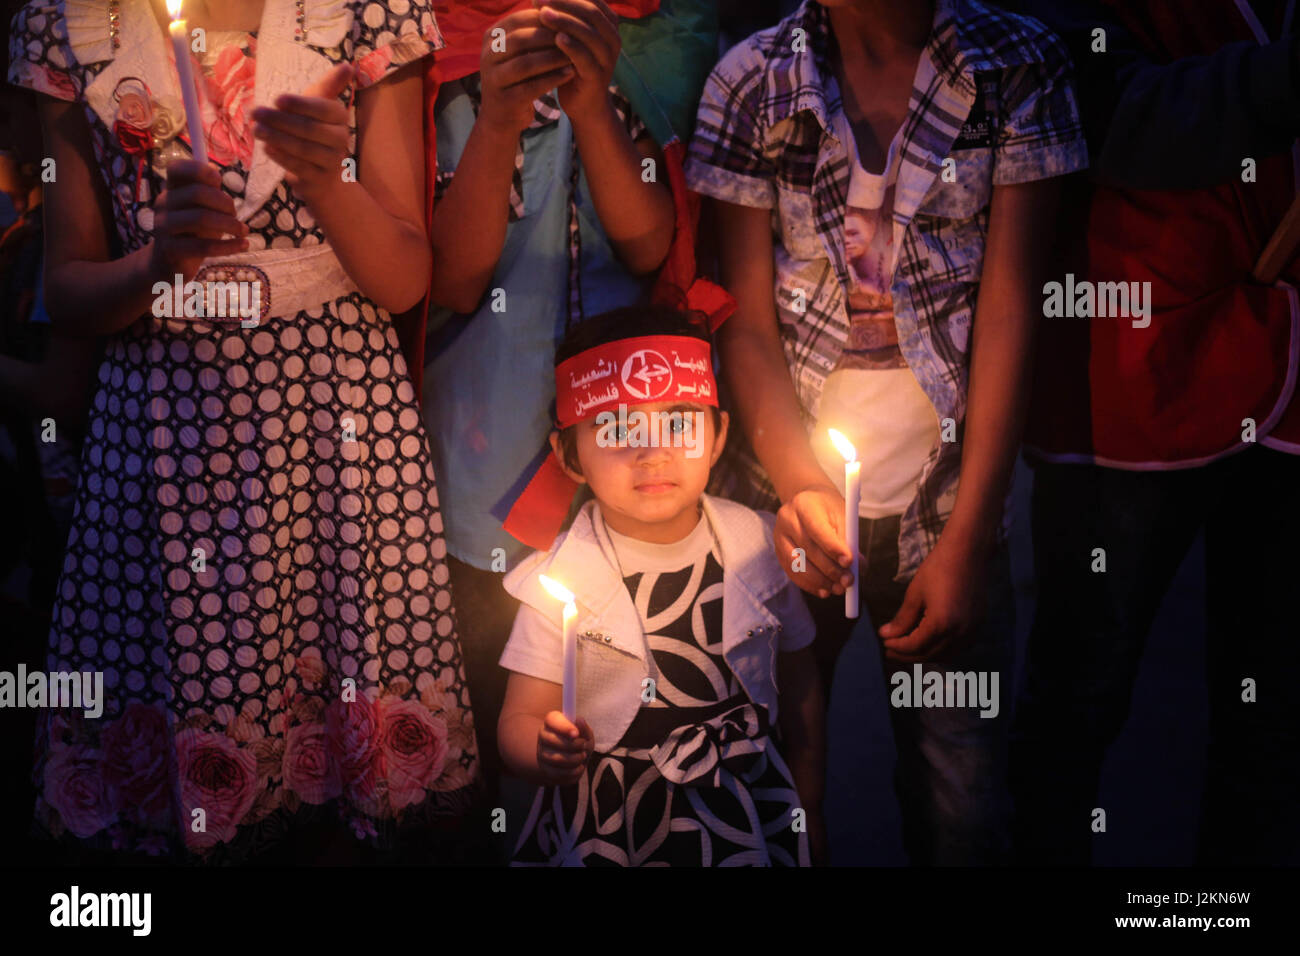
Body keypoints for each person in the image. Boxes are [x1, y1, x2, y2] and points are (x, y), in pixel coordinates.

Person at [7, 0, 480, 862]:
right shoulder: (70, 25)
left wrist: (325, 179)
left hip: (337, 426)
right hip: (163, 433)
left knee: (340, 781)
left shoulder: (369, 13)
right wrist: (157, 266)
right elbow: (70, 285)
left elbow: (407, 275)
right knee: (193, 739)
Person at [685, 0, 1088, 864]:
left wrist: (971, 537)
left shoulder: (1019, 65)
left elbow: (1012, 308)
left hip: (948, 506)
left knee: (964, 805)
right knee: (782, 787)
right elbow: (745, 321)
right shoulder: (749, 81)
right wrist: (797, 484)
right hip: (784, 509)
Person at [1007, 0, 1300, 866]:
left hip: (1288, 365)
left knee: (1272, 715)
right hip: (1134, 371)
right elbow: (1112, 113)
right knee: (1080, 702)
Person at [419, 0, 713, 805]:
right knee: (492, 736)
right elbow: (450, 280)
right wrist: (499, 118)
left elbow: (654, 246)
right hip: (485, 467)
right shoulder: (424, 50)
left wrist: (592, 100)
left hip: (632, 454)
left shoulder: (659, 42)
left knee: (635, 738)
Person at [495, 305, 825, 866]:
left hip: (742, 811)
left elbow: (798, 680)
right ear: (568, 455)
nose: (653, 451)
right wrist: (540, 750)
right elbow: (516, 720)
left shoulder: (760, 549)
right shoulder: (559, 581)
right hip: (613, 823)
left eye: (679, 420)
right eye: (618, 426)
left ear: (718, 435)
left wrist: (809, 796)